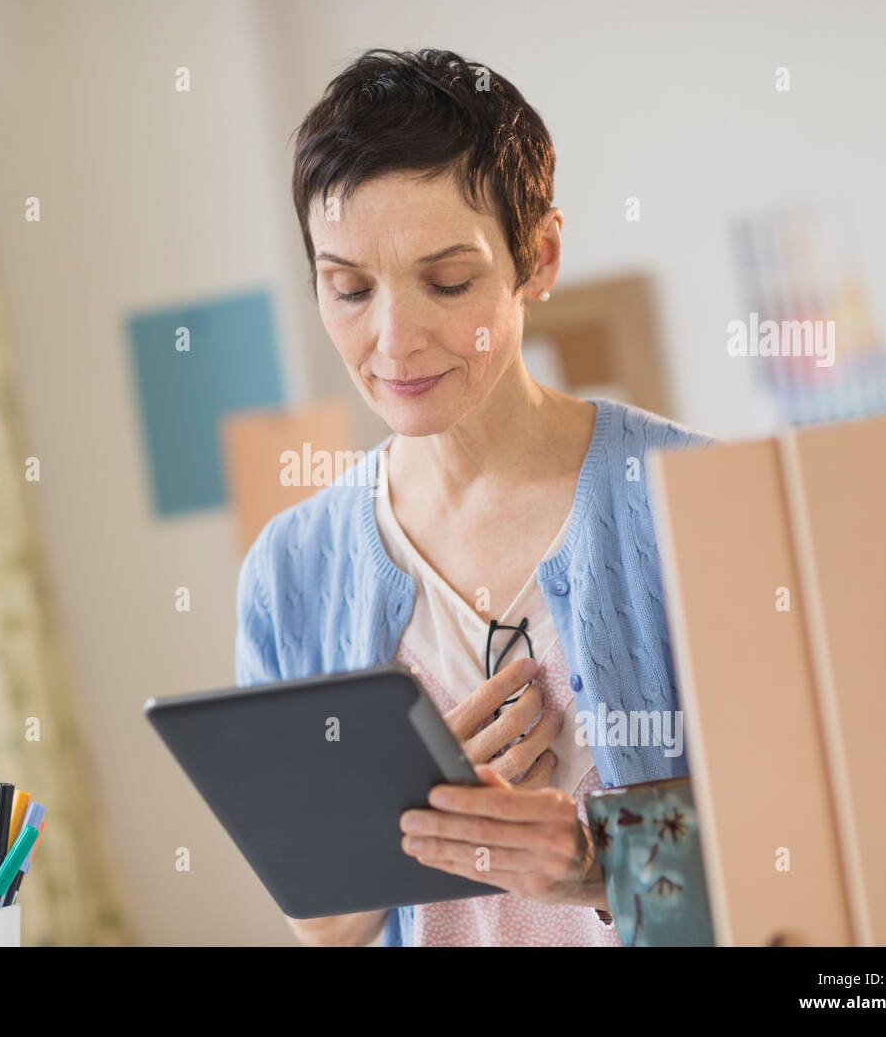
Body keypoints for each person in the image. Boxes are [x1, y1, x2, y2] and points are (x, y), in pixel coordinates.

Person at [235, 48, 712, 947]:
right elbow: (323, 924)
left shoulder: (700, 501)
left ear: (539, 256)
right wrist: (404, 809)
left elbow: (810, 850)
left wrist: (600, 864)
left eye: (448, 282)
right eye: (348, 288)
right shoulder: (289, 574)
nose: (394, 339)